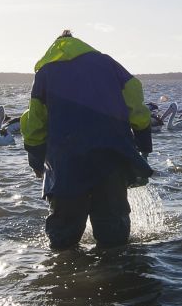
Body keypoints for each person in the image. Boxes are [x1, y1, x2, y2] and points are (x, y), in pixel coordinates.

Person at [21, 30, 154, 250]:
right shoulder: (108, 64)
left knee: (63, 234)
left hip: (66, 164)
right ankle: (120, 275)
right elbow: (135, 101)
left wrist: (36, 161)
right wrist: (143, 142)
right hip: (111, 156)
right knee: (114, 231)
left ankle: (63, 276)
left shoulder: (45, 73)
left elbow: (34, 123)